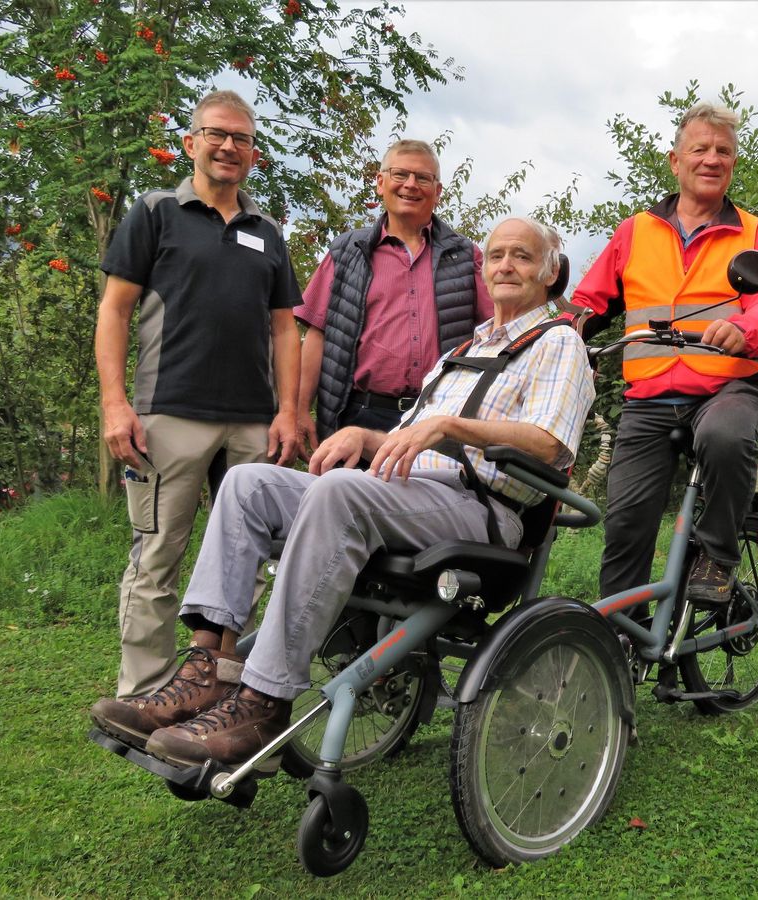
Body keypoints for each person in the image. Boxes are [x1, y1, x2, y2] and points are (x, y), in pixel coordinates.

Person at [90, 218, 595, 768]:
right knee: (247, 482)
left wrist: (452, 427)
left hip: (481, 510)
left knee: (339, 491)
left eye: (521, 256)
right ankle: (211, 666)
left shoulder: (558, 342)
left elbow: (550, 445)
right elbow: (414, 435)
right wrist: (366, 433)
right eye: (496, 255)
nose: (504, 266)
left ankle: (264, 700)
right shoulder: (465, 348)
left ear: (549, 272)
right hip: (406, 494)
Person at [95, 90, 301, 699]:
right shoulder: (156, 212)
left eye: (240, 138)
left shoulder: (267, 232)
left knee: (253, 561)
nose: (228, 146)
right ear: (191, 143)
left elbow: (286, 327)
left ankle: (224, 681)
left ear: (253, 153)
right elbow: (114, 311)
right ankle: (144, 693)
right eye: (216, 134)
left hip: (253, 423)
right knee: (157, 556)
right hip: (168, 414)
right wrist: (114, 403)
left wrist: (290, 410)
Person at [572, 102, 758, 610]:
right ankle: (620, 644)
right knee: (626, 521)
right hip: (648, 396)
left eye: (723, 151)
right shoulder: (634, 232)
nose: (712, 159)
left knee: (724, 436)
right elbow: (591, 302)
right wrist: (566, 335)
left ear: (733, 163)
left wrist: (746, 329)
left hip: (727, 388)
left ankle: (717, 555)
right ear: (676, 161)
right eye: (700, 149)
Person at [294, 139, 493, 451]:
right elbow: (317, 335)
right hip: (359, 413)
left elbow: (497, 332)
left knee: (427, 500)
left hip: (436, 417)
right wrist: (299, 410)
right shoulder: (347, 251)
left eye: (423, 178)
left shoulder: (467, 257)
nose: (410, 185)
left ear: (437, 191)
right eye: (400, 174)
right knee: (343, 498)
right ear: (380, 182)